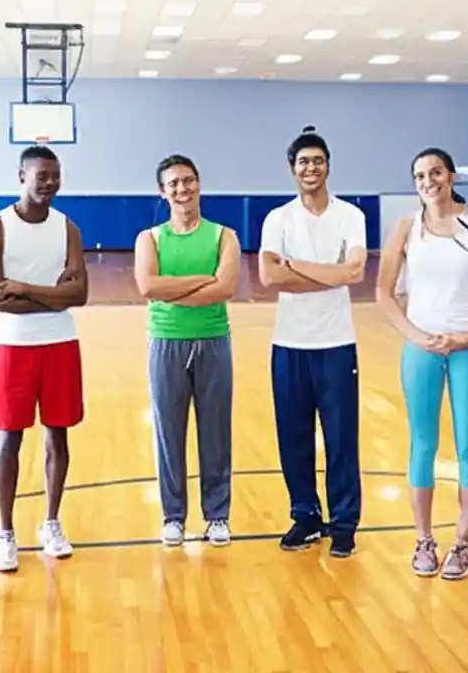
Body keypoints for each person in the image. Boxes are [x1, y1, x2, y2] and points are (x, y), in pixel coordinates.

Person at [374, 147, 468, 580]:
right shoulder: (405, 229)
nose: (427, 181)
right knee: (422, 445)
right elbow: (383, 293)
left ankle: (462, 542)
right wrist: (416, 335)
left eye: (435, 172)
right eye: (419, 175)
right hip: (421, 350)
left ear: (451, 176)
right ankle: (424, 540)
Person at [257, 126, 367, 558]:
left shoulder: (350, 216)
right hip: (289, 345)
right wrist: (329, 273)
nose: (311, 168)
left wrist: (297, 267)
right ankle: (305, 516)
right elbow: (269, 277)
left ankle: (343, 523)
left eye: (317, 160)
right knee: (294, 437)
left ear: (328, 166)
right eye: (303, 162)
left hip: (338, 345)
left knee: (342, 438)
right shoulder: (278, 219)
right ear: (292, 169)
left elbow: (354, 273)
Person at [0, 145, 87, 573]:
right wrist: (52, 295)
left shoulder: (68, 228)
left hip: (61, 345)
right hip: (13, 347)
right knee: (9, 440)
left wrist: (23, 288)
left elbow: (80, 294)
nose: (49, 183)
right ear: (21, 176)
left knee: (57, 437)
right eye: (41, 175)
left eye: (55, 175)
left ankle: (51, 522)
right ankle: (5, 532)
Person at [133, 154, 240, 547]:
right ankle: (173, 516)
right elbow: (148, 287)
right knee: (169, 432)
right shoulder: (150, 238)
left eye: (188, 180)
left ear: (199, 184)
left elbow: (225, 288)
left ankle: (217, 516)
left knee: (215, 432)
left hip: (214, 340)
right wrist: (201, 282)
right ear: (163, 192)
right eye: (174, 183)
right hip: (166, 343)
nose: (182, 189)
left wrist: (174, 287)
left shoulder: (224, 235)